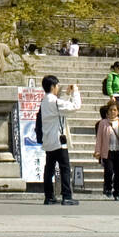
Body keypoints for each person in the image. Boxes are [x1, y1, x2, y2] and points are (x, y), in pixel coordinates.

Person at [39, 75, 81, 206]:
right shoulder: (54, 102)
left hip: (48, 140)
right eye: (57, 86)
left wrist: (67, 94)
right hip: (58, 140)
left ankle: (49, 196)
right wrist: (75, 92)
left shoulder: (45, 101)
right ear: (52, 87)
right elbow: (75, 106)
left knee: (49, 169)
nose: (58, 88)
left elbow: (60, 107)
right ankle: (67, 195)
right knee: (65, 168)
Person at [93, 100, 119, 200]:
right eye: (111, 110)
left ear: (118, 111)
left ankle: (117, 192)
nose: (113, 112)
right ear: (107, 111)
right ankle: (108, 187)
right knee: (109, 170)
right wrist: (97, 151)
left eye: (115, 110)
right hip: (108, 151)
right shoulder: (103, 123)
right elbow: (99, 138)